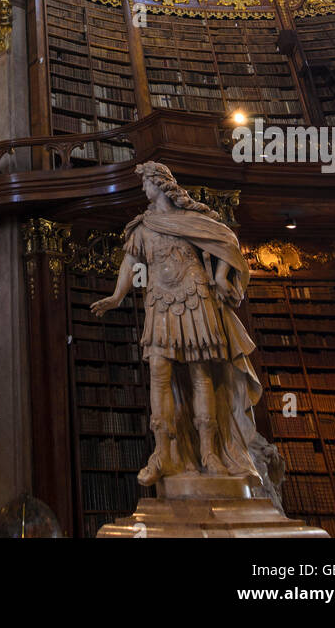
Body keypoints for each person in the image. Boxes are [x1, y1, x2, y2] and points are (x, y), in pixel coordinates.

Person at [91, 160, 263, 487]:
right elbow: (129, 263)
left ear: (159, 184)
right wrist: (116, 296)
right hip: (159, 301)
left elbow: (225, 241)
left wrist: (222, 276)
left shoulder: (192, 221)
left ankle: (210, 453)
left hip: (196, 298)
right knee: (159, 371)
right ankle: (163, 452)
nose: (143, 189)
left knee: (202, 374)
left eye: (146, 183)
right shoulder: (142, 227)